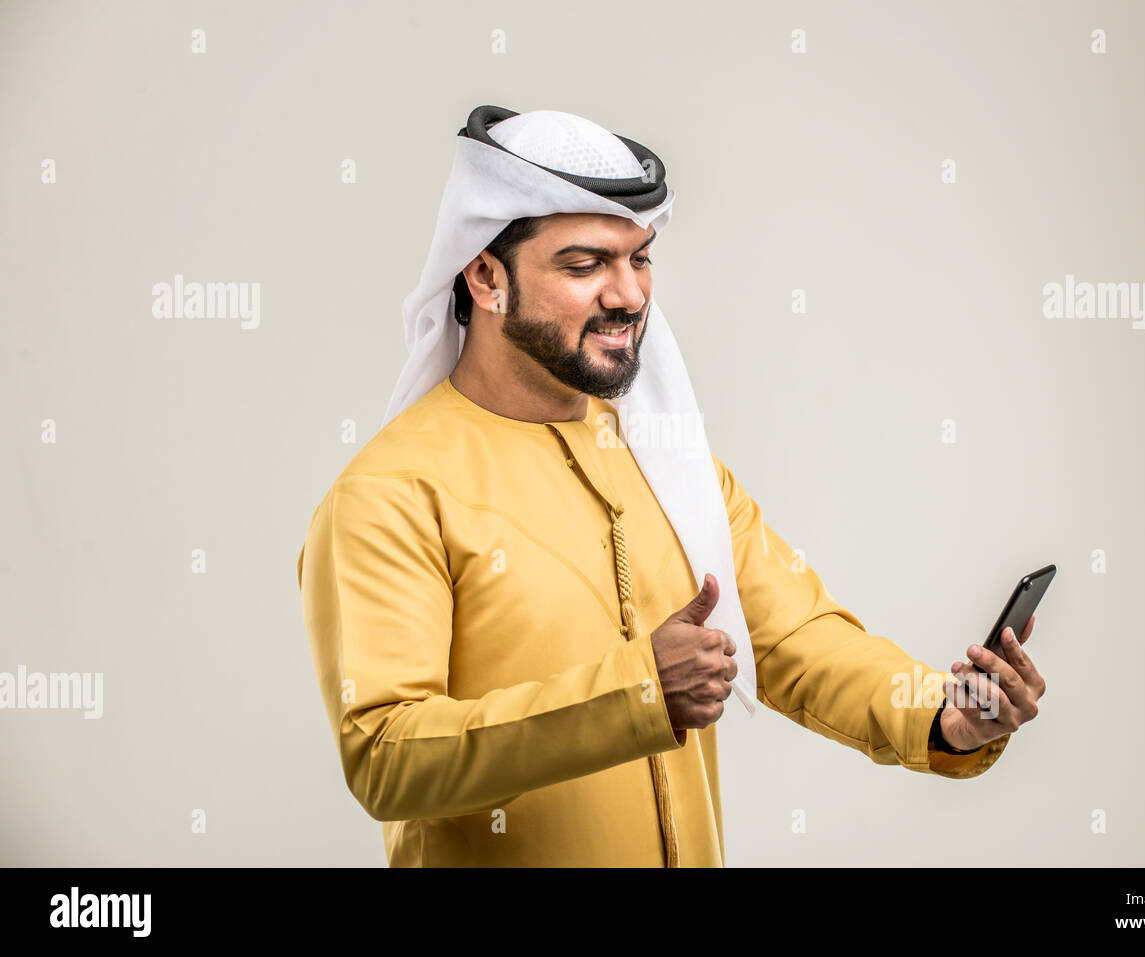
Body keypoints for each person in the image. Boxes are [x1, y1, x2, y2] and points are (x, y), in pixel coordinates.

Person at [296, 105, 1047, 867]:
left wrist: (942, 715)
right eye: (585, 265)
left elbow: (792, 637)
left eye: (641, 258)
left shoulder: (664, 458)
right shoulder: (388, 494)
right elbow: (385, 753)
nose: (629, 295)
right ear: (487, 277)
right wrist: (635, 692)